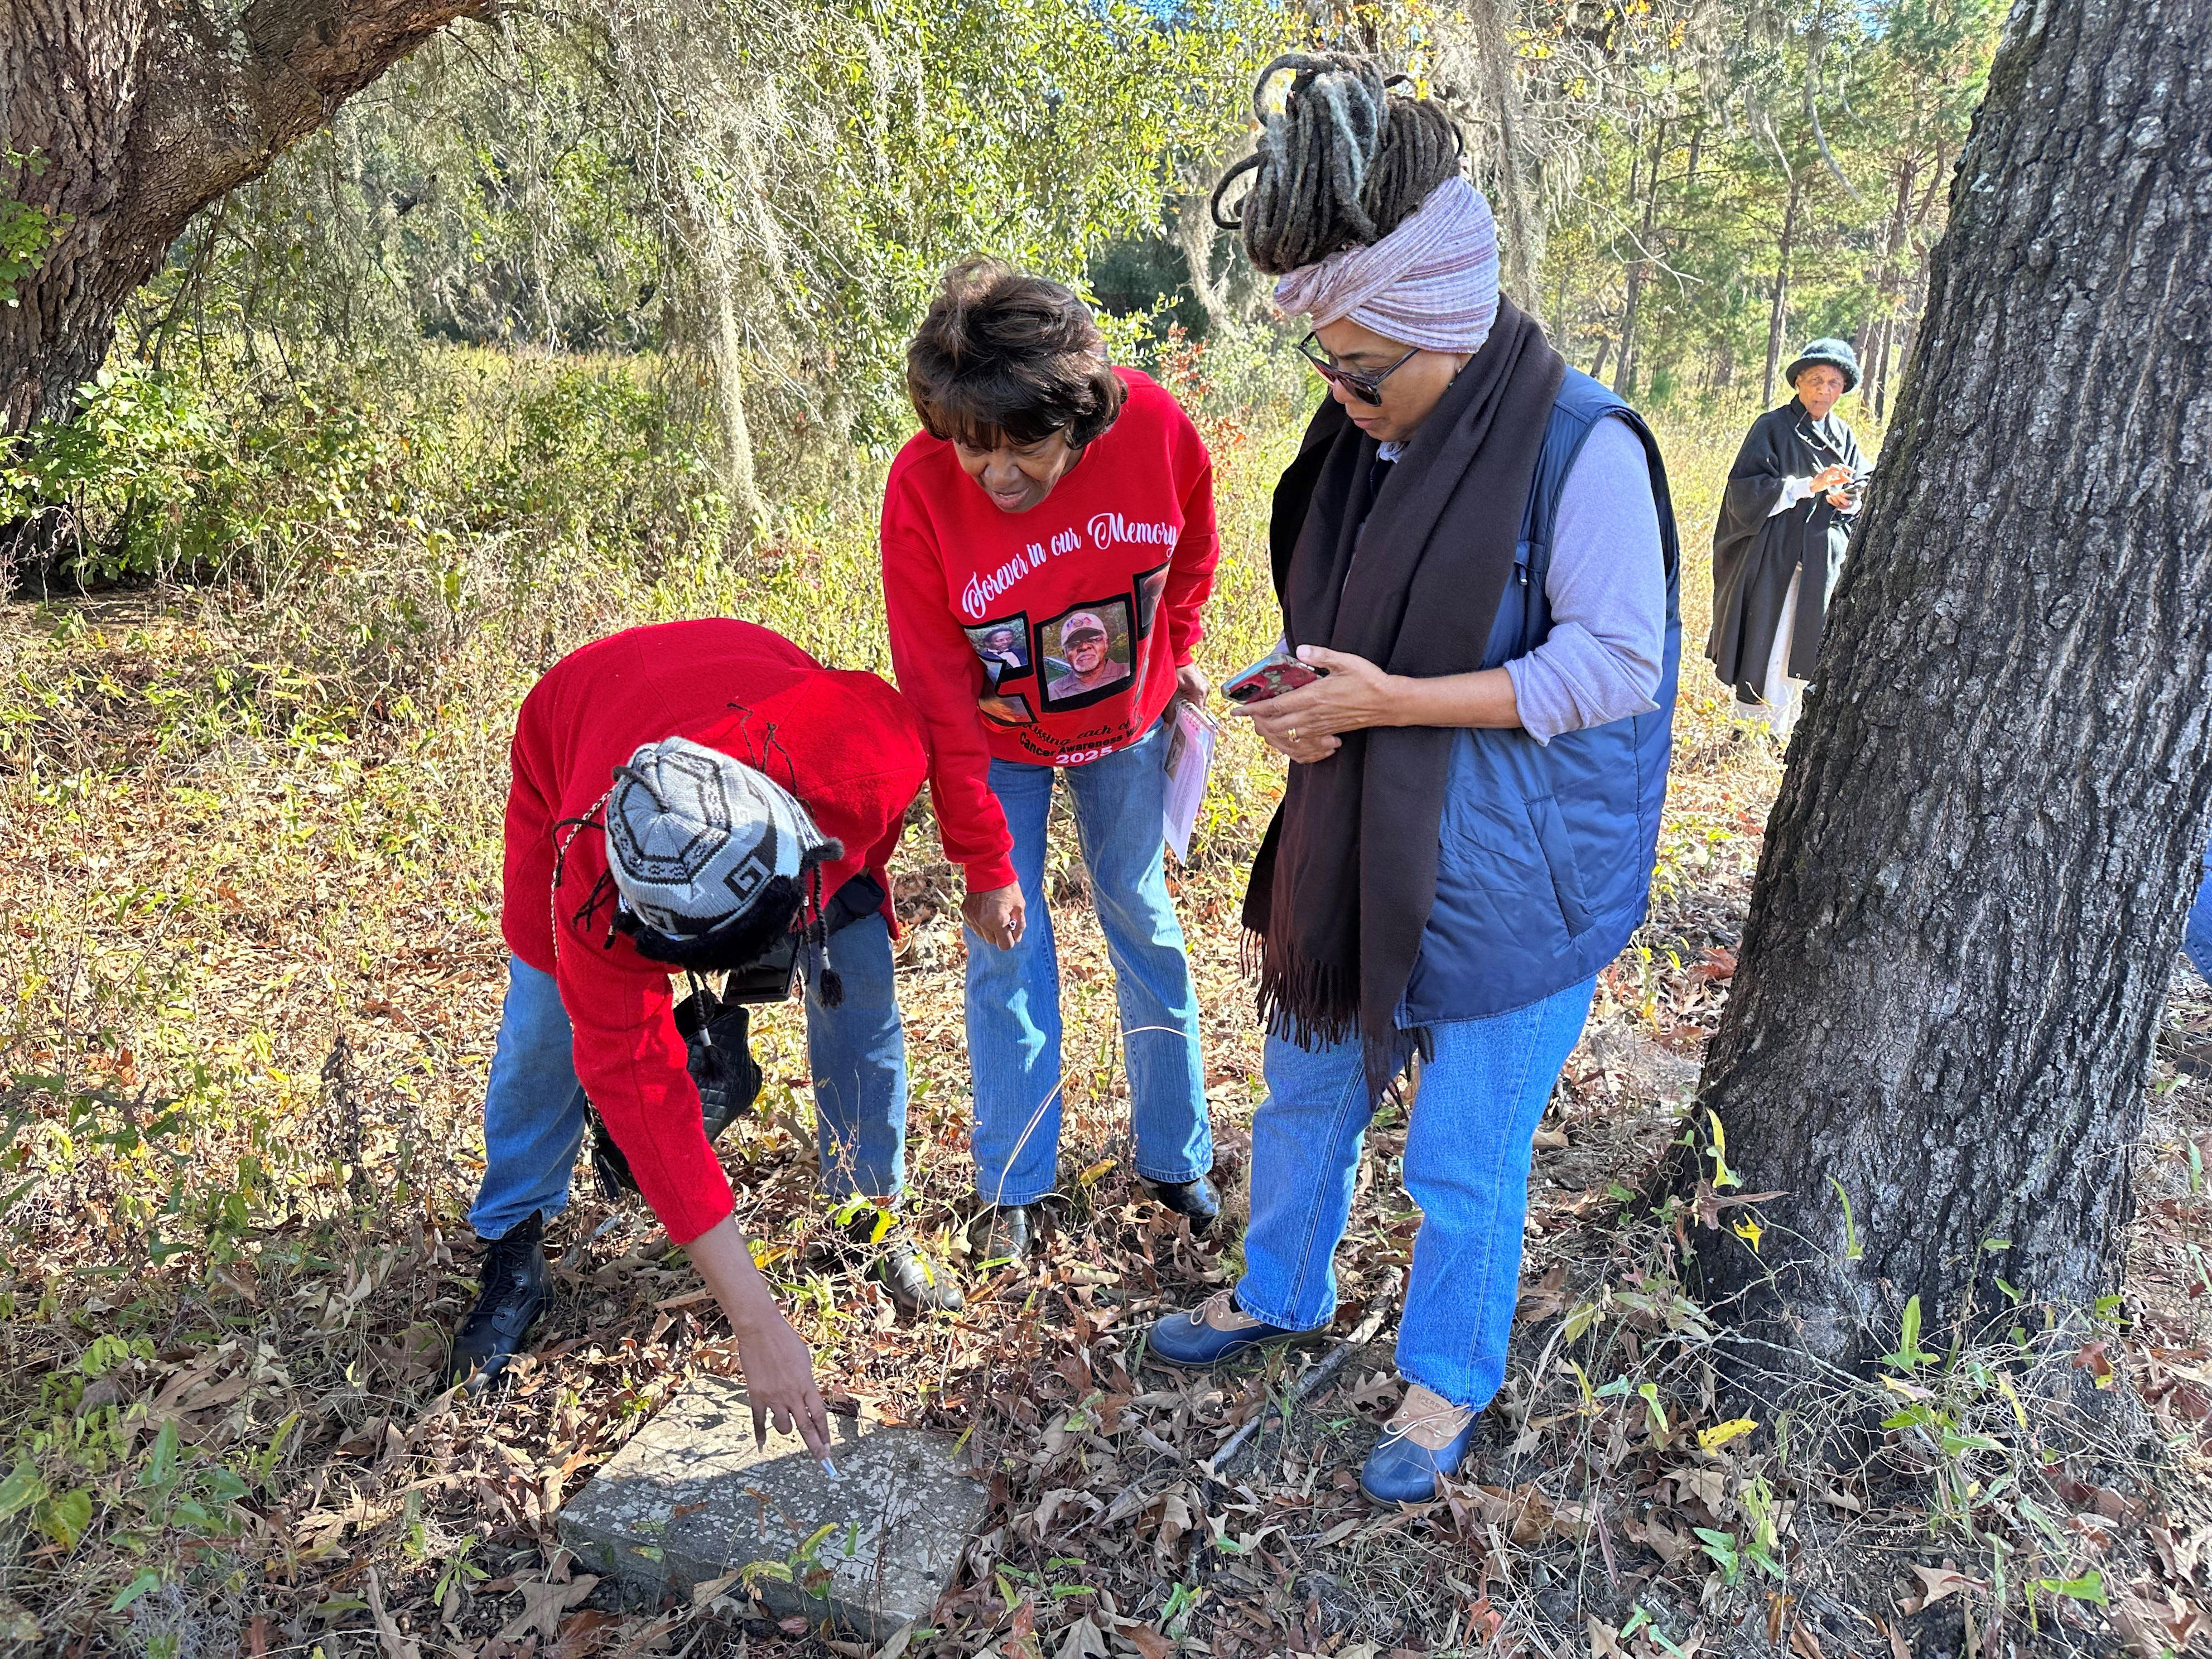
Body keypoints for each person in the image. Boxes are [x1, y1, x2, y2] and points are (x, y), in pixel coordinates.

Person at [1146, 54, 1680, 1505]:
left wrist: (1385, 701)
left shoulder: (1582, 446)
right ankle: (1280, 1287)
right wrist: (1307, 689)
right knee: (1301, 1092)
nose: (1342, 396)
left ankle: (1448, 1371)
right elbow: (1356, 608)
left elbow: (1611, 665)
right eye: (1323, 366)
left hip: (1516, 877)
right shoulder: (1367, 433)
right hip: (1354, 854)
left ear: (1447, 323)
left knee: (1460, 1157)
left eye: (1366, 371)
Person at [447, 618, 961, 1428]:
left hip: (760, 703)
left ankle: (870, 1207)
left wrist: (816, 915)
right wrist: (755, 1322)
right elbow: (642, 1094)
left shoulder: (869, 753)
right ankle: (515, 1232)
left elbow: (888, 822)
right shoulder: (592, 889)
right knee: (546, 1024)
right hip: (575, 718)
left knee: (857, 995)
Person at [880, 258, 1223, 1260]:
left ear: (1082, 414)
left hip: (1123, 733)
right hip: (1001, 745)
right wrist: (984, 862)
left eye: (1024, 446)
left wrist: (1175, 651)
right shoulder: (922, 488)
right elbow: (937, 685)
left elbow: (1196, 544)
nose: (996, 473)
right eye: (971, 446)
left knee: (1143, 918)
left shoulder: (1156, 429)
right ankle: (1015, 1178)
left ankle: (1175, 1153)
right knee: (1006, 950)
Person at [1707, 339, 1867, 741]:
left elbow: (1862, 484)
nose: (1824, 391)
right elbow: (1743, 491)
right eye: (1815, 380)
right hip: (1773, 557)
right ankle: (1750, 730)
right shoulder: (1772, 427)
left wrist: (1845, 498)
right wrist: (1805, 487)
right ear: (1798, 382)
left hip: (1818, 560)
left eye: (1833, 383)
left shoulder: (1843, 434)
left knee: (1804, 638)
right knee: (1767, 634)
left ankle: (1786, 731)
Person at [1042, 610, 1131, 701]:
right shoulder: (1053, 692)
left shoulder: (1130, 673)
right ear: (1064, 653)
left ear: (1106, 643)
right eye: (1073, 644)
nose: (1084, 647)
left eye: (1092, 640)